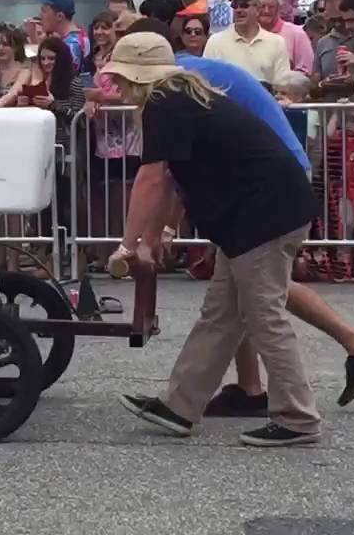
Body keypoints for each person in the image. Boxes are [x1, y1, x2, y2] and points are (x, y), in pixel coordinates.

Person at [105, 32, 323, 447]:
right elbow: (168, 181)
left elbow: (151, 179)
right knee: (221, 314)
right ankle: (180, 406)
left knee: (264, 315)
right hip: (257, 213)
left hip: (264, 215)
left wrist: (127, 245)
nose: (116, 86)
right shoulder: (179, 95)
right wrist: (152, 237)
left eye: (120, 77)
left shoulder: (163, 104)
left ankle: (298, 417)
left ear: (136, 76)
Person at [202, 0, 290, 85]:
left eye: (244, 5)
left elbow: (283, 83)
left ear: (258, 9)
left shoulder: (277, 42)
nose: (238, 10)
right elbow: (206, 81)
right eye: (234, 5)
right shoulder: (215, 41)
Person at [38, 0, 88, 71]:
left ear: (59, 16)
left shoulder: (71, 45)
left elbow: (61, 78)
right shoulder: (76, 36)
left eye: (44, 11)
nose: (40, 15)